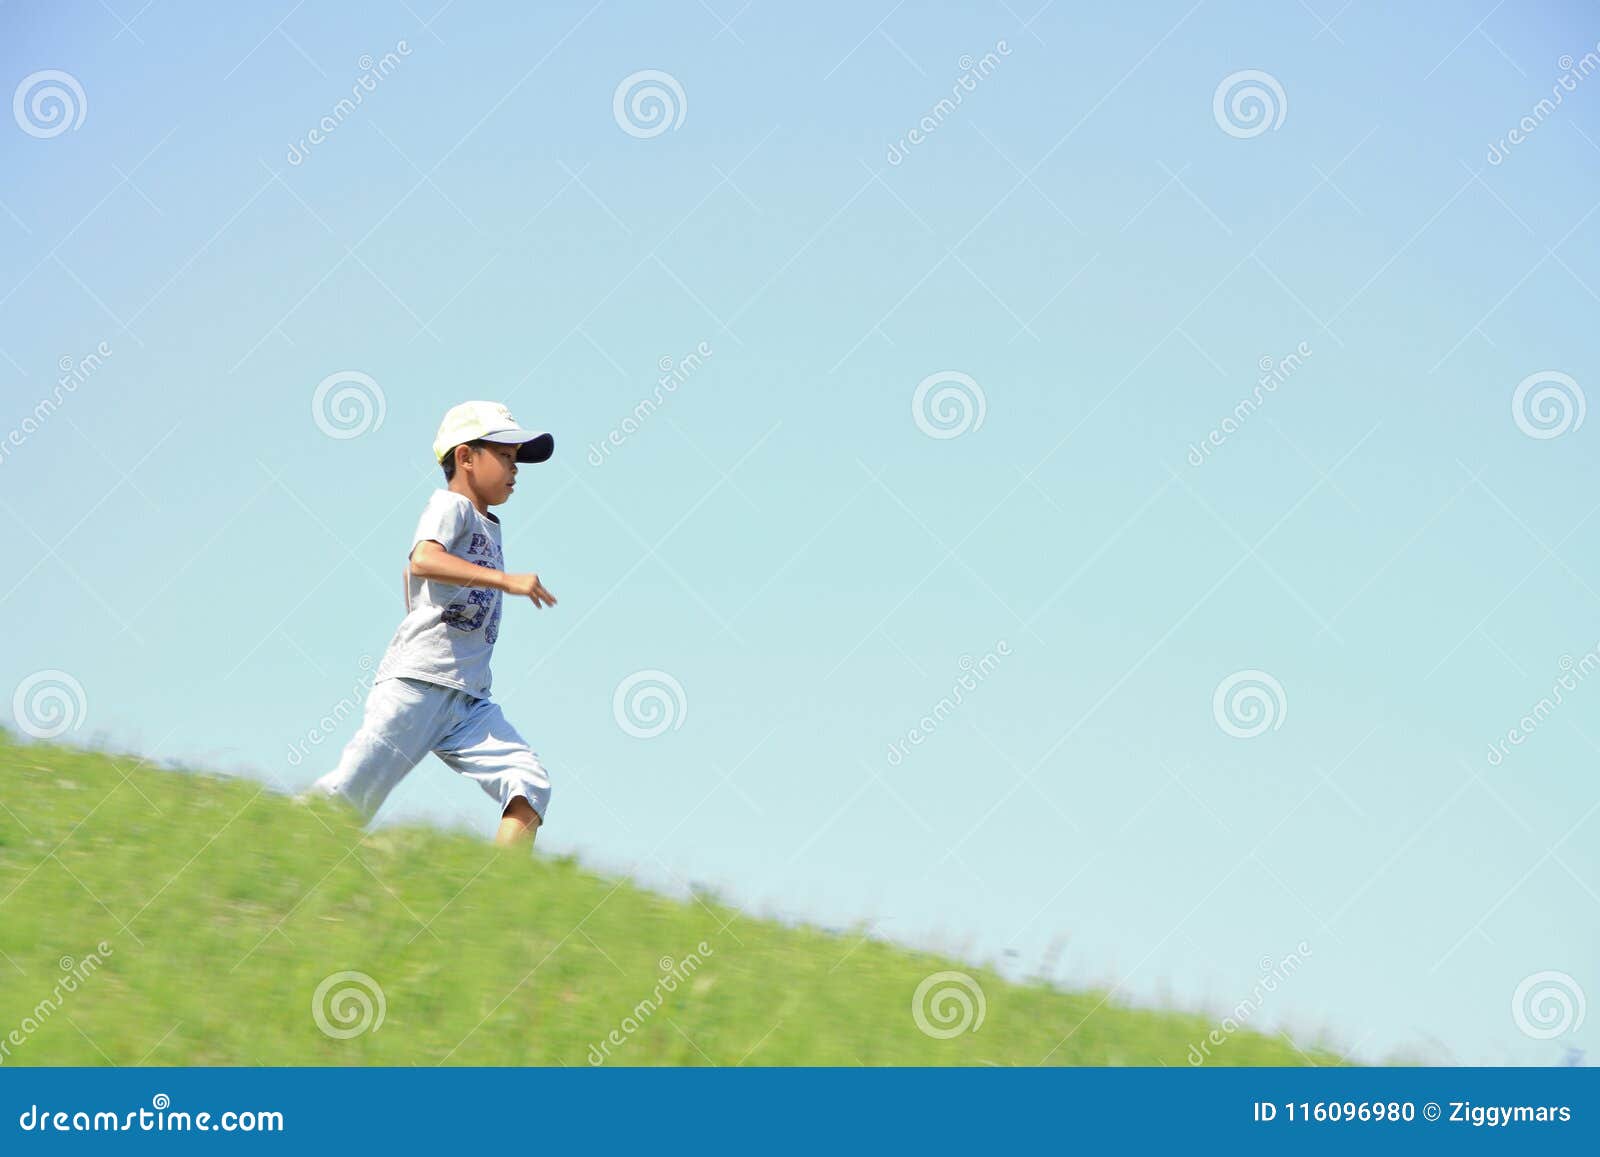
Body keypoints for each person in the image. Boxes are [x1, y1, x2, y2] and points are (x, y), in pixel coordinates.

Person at [309, 401, 558, 846]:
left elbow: (415, 575)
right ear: (465, 457)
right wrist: (507, 581)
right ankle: (264, 839)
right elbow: (423, 558)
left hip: (468, 701)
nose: (514, 468)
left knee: (529, 781)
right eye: (504, 455)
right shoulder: (452, 506)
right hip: (419, 686)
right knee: (345, 801)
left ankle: (498, 894)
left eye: (516, 458)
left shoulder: (486, 523)